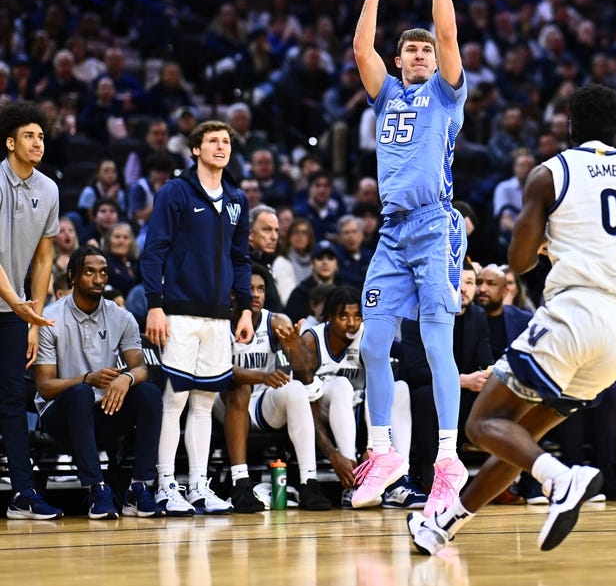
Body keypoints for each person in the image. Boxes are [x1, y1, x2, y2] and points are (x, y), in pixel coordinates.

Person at [406, 83, 616, 555]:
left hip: (573, 315)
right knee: (522, 436)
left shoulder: (549, 173)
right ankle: (446, 522)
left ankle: (562, 480)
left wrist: (542, 243)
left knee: (482, 425)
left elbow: (518, 263)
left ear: (570, 126)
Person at [349, 0, 471, 518]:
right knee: (372, 343)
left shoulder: (446, 95)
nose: (422, 53)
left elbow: (448, 31)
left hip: (436, 227)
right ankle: (384, 451)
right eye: (412, 50)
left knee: (434, 340)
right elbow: (359, 51)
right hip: (392, 232)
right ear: (399, 62)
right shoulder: (388, 95)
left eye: (426, 50)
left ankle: (448, 462)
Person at [140, 119, 254, 516]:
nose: (221, 147)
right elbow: (154, 250)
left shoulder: (238, 198)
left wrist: (245, 311)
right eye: (212, 142)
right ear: (195, 150)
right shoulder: (174, 192)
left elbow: (241, 259)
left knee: (204, 403)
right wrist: (155, 303)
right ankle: (165, 484)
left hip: (220, 318)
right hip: (179, 313)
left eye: (225, 142)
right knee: (176, 400)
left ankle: (198, 486)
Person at [34, 246, 162, 519]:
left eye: (103, 272)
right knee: (80, 393)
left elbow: (142, 368)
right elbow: (44, 386)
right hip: (60, 418)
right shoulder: (51, 318)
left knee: (149, 393)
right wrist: (87, 379)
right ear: (72, 276)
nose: (99, 279)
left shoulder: (121, 317)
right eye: (89, 272)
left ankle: (138, 489)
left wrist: (126, 378)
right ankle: (96, 489)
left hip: (103, 411)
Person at [216, 264, 331, 513]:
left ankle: (309, 481)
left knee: (297, 388)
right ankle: (241, 483)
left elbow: (304, 368)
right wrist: (261, 375)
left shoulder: (276, 321)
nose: (256, 294)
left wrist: (294, 346)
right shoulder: (219, 321)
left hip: (260, 402)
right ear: (234, 293)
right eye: (250, 289)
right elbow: (220, 371)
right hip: (222, 400)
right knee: (239, 388)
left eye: (261, 289)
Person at [287, 286, 413, 507]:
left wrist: (373, 446)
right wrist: (334, 455)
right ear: (328, 317)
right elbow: (306, 405)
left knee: (399, 387)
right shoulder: (310, 342)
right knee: (341, 385)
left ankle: (398, 480)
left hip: (359, 409)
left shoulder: (366, 336)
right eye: (343, 316)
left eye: (357, 316)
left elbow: (378, 383)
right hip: (319, 409)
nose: (352, 323)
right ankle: (352, 478)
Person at [0, 101, 64, 520]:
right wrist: (17, 304)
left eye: (41, 135)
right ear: (10, 142)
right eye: (28, 135)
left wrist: (32, 319)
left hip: (15, 308)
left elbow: (44, 260)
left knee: (10, 400)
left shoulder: (49, 189)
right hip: (10, 301)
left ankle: (22, 493)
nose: (37, 141)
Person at [399, 265, 492, 503]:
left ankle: (504, 481)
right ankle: (431, 477)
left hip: (468, 391)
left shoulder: (478, 316)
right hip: (427, 390)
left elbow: (484, 361)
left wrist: (488, 374)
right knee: (426, 395)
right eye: (457, 281)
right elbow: (416, 370)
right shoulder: (418, 314)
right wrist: (462, 381)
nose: (463, 288)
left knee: (497, 396)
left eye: (470, 282)